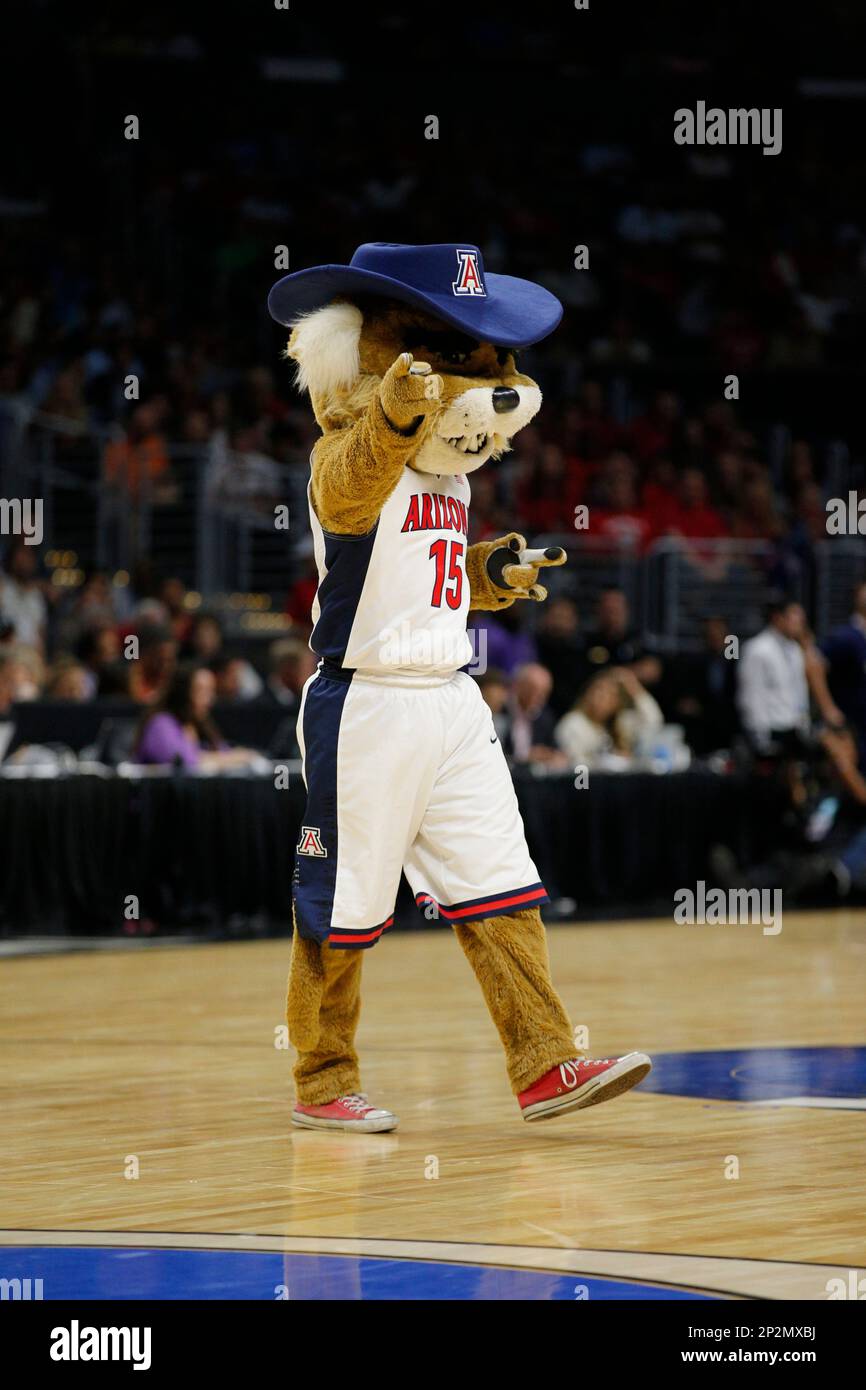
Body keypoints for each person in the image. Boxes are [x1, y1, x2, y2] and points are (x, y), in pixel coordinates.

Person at [135, 663, 256, 770]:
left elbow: (224, 752)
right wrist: (234, 758)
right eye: (201, 690)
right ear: (182, 692)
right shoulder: (161, 724)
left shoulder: (201, 726)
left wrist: (241, 756)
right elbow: (183, 763)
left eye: (211, 691)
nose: (209, 699)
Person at [736, 598, 811, 754]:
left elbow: (799, 690)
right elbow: (751, 696)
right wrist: (760, 737)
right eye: (795, 617)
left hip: (794, 727)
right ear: (778, 618)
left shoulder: (794, 649)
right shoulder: (757, 649)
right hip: (770, 730)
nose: (800, 623)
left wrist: (803, 723)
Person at [555, 667, 663, 768]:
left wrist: (634, 687)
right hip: (585, 784)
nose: (600, 699)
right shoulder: (573, 723)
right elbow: (575, 763)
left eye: (610, 695)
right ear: (588, 694)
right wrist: (607, 760)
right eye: (598, 692)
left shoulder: (620, 723)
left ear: (617, 702)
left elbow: (654, 722)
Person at [0, 541, 47, 650]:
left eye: (28, 556)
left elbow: (41, 633)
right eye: (20, 556)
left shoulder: (36, 596)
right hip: (7, 654)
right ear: (11, 558)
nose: (24, 561)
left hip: (30, 656)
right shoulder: (3, 587)